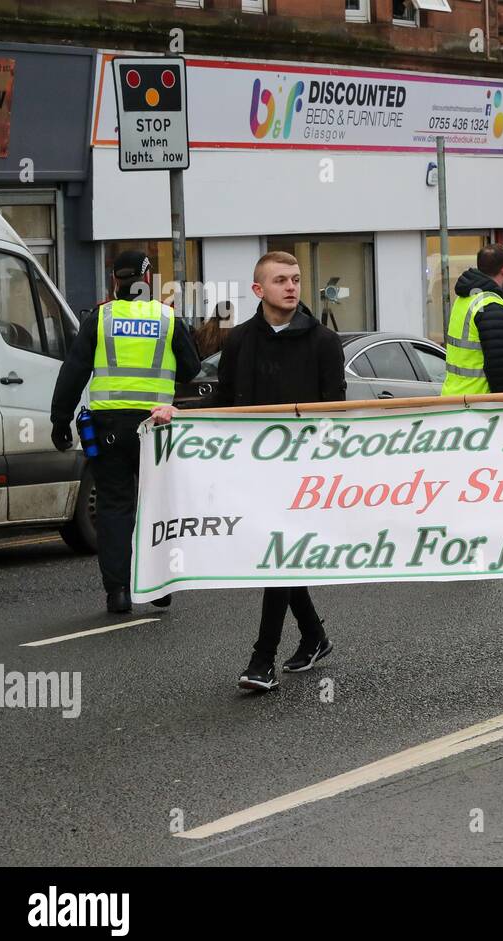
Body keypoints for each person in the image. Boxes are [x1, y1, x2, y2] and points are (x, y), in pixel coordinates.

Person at [152, 252, 346, 691]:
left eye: (296, 279)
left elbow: (337, 414)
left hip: (303, 474)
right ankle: (314, 635)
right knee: (279, 558)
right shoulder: (239, 341)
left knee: (276, 558)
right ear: (259, 290)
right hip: (252, 471)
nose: (292, 287)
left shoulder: (323, 343)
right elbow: (223, 401)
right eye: (280, 280)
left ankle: (262, 661)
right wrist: (178, 413)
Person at [50, 251, 201, 614]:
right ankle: (158, 586)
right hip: (156, 426)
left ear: (115, 280)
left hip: (108, 428)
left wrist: (60, 420)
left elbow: (73, 372)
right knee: (157, 505)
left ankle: (117, 592)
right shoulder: (166, 318)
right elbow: (193, 369)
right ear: (146, 280)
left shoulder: (99, 318)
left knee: (115, 507)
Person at [442, 244, 503, 396]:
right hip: (481, 407)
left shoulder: (464, 299)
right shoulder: (492, 306)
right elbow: (497, 368)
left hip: (455, 399)